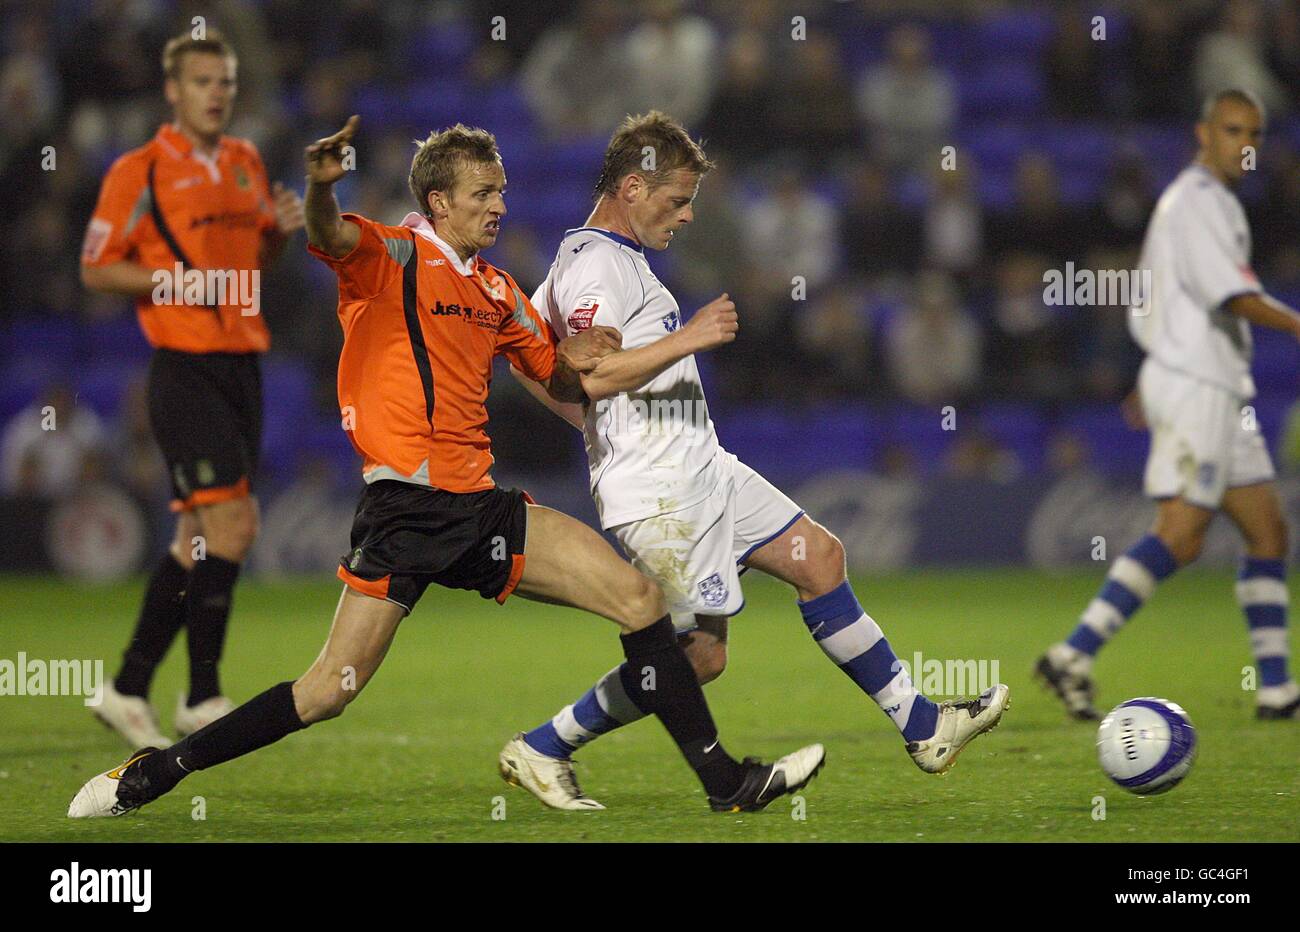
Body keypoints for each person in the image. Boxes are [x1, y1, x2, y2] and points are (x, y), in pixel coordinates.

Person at [68, 114, 824, 819]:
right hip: (404, 512)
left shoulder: (495, 289)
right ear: (438, 201)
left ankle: (724, 782)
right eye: (484, 193)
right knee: (328, 689)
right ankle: (156, 773)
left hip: (482, 508)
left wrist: (586, 358)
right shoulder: (393, 256)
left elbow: (561, 378)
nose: (500, 205)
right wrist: (324, 186)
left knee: (638, 600)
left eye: (502, 190)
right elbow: (329, 235)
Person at [502, 111, 1009, 811]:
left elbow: (532, 357)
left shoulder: (587, 259)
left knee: (819, 559)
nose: (683, 218)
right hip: (661, 491)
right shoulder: (597, 267)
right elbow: (595, 372)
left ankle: (925, 728)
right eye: (676, 201)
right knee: (699, 659)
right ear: (630, 188)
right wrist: (689, 339)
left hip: (702, 465)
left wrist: (587, 419)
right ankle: (544, 745)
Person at [1037, 90, 1299, 721]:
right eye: (1232, 129)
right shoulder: (1196, 202)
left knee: (1268, 531)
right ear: (1202, 133)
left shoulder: (1207, 204)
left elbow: (1174, 297)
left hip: (1210, 382)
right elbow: (1234, 297)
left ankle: (1277, 690)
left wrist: (1152, 373)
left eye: (1255, 134)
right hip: (1197, 385)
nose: (1245, 144)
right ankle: (1072, 653)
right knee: (1180, 535)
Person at [79, 30, 305, 749]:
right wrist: (170, 279)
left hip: (242, 363)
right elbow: (95, 266)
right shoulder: (140, 171)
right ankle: (202, 696)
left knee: (195, 539)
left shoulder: (243, 162)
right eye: (204, 81)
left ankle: (127, 686)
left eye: (226, 83)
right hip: (183, 368)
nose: (217, 94)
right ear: (173, 89)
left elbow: (250, 263)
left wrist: (279, 236)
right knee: (234, 528)